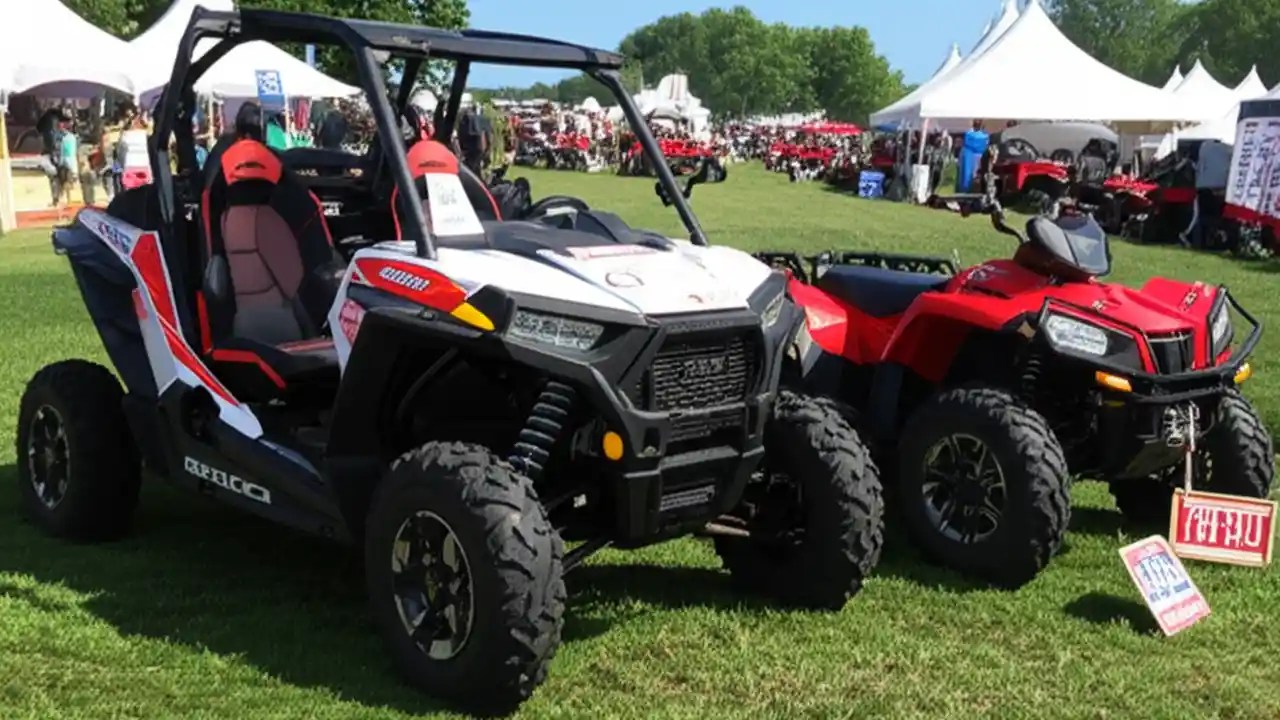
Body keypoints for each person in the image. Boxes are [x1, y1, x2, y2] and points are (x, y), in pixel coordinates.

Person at [956, 119, 989, 193]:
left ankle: (969, 189)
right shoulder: (984, 135)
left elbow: (967, 144)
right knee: (973, 174)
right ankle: (971, 189)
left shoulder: (969, 134)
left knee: (972, 175)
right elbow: (985, 145)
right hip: (975, 157)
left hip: (973, 157)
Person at [457, 100, 487, 176]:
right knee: (476, 169)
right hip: (477, 148)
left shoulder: (464, 120)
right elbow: (483, 134)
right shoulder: (479, 119)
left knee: (471, 169)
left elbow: (460, 135)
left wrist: (462, 149)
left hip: (469, 149)